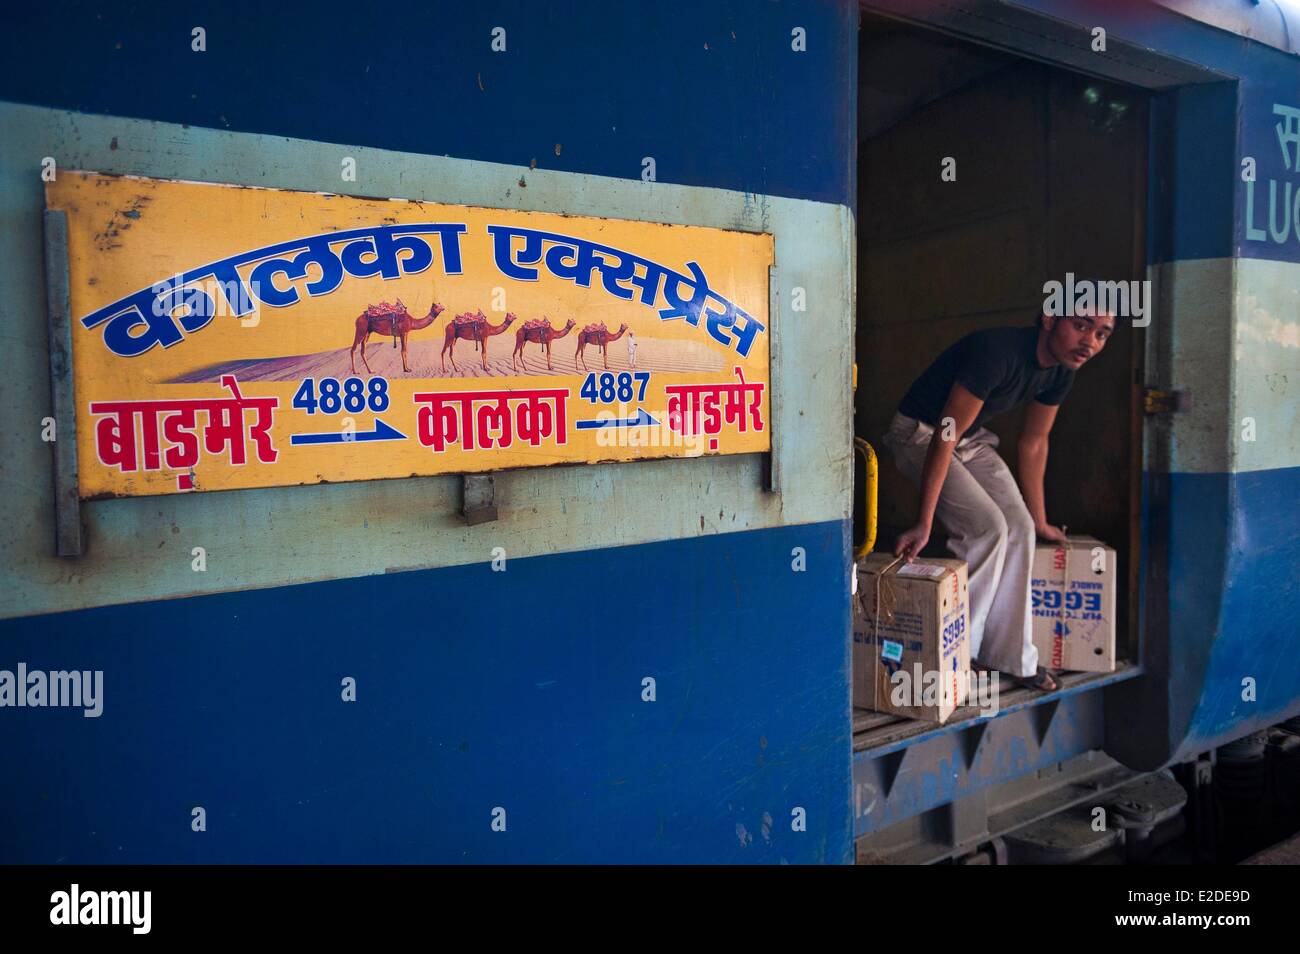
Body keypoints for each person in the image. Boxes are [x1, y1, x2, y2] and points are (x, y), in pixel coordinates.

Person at [884, 309, 1115, 692]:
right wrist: (924, 522)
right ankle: (958, 657)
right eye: (1081, 326)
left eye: (1102, 334)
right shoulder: (998, 353)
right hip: (921, 434)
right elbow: (945, 432)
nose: (1090, 341)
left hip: (969, 441)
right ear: (1049, 318)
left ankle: (1011, 657)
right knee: (987, 528)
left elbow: (1034, 442)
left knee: (1020, 528)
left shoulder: (1061, 371)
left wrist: (1038, 520)